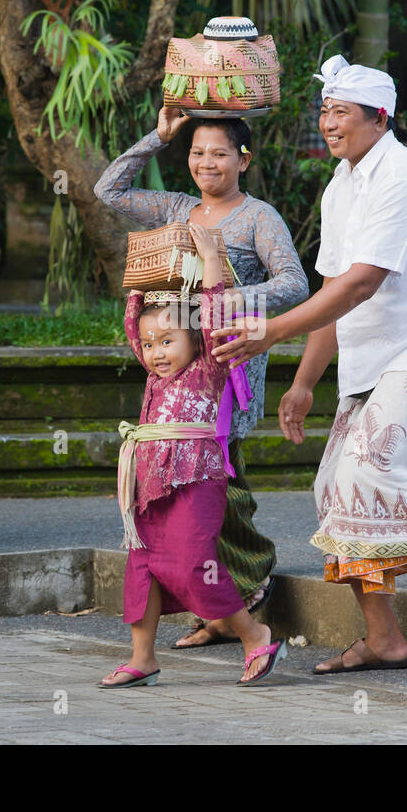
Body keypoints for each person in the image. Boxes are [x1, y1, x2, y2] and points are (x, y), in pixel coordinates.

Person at [212, 54, 407, 673]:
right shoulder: (341, 186)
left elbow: (360, 285)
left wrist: (268, 332)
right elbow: (331, 291)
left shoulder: (404, 177)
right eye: (324, 110)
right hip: (373, 352)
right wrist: (303, 382)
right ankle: (386, 639)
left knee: (365, 472)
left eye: (341, 112)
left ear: (380, 118)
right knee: (334, 490)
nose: (328, 122)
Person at [95, 108, 308, 648]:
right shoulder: (175, 207)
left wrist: (229, 298)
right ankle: (219, 607)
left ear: (243, 159)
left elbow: (295, 285)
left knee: (219, 488)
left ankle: (242, 593)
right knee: (196, 492)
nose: (205, 163)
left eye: (218, 152)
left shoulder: (258, 217)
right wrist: (158, 137)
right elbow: (108, 190)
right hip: (173, 378)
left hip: (229, 369)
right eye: (195, 152)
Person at [102, 222, 286, 687]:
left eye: (167, 341)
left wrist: (209, 261)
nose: (156, 353)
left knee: (191, 562)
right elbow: (133, 321)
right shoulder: (154, 376)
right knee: (141, 565)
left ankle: (254, 635)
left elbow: (212, 313)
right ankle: (143, 657)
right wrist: (141, 282)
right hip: (148, 482)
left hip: (198, 478)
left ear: (194, 340)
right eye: (149, 345)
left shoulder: (209, 364)